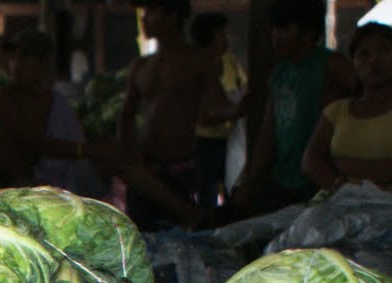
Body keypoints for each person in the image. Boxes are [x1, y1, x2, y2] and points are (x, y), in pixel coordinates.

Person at [115, 0, 234, 228]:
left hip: (179, 169)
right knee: (141, 238)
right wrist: (127, 155)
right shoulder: (140, 65)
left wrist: (239, 108)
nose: (144, 18)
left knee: (179, 239)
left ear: (172, 17)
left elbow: (213, 108)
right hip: (144, 169)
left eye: (151, 11)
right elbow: (126, 117)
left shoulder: (198, 61)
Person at [232, 0, 355, 215]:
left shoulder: (331, 64)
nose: (275, 35)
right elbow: (268, 136)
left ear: (307, 33)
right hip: (283, 181)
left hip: (319, 180)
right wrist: (248, 182)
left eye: (284, 28)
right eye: (274, 28)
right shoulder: (279, 73)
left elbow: (367, 100)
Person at [302, 22, 392, 196]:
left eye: (383, 50)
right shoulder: (335, 111)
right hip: (337, 204)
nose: (373, 60)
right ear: (353, 65)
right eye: (364, 54)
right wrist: (342, 189)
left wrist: (342, 165)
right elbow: (310, 162)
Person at [0, 27, 86, 190]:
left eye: (24, 58)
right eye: (13, 57)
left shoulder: (58, 104)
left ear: (44, 62)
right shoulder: (3, 100)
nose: (16, 64)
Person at [190, 12, 247, 208]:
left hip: (228, 139)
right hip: (203, 142)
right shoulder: (197, 66)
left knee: (233, 189)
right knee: (207, 195)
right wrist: (234, 111)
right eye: (221, 35)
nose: (226, 40)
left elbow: (243, 88)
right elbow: (202, 113)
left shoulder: (229, 61)